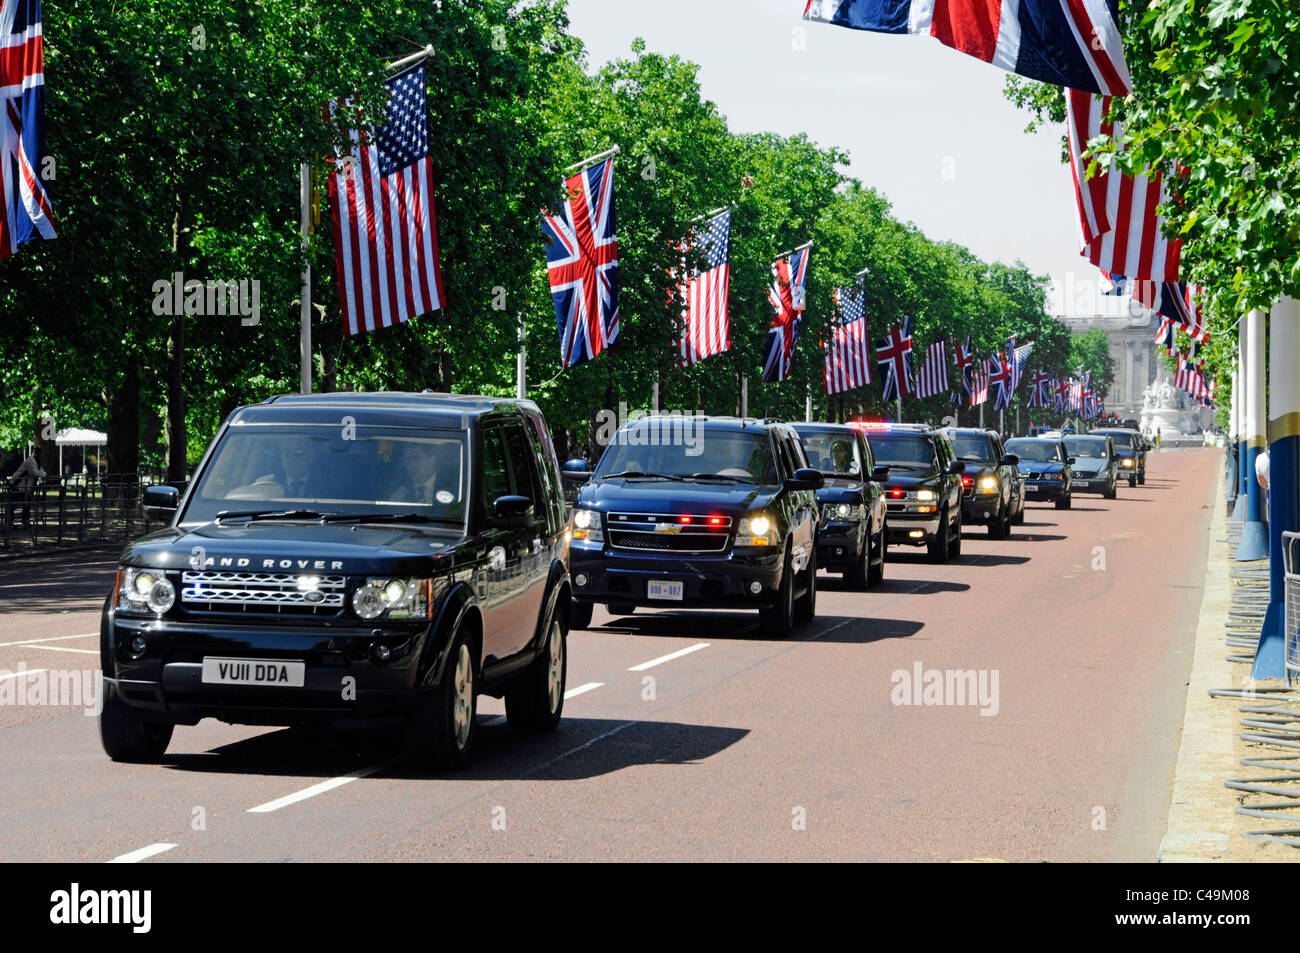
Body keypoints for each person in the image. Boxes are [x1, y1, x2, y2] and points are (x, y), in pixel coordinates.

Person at [7, 450, 46, 527]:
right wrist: (43, 474)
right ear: (36, 453)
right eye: (41, 453)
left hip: (26, 487)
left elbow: (42, 472)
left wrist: (42, 473)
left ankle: (25, 521)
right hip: (16, 485)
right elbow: (35, 472)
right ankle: (9, 523)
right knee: (13, 505)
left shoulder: (37, 462)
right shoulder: (31, 460)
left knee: (27, 505)